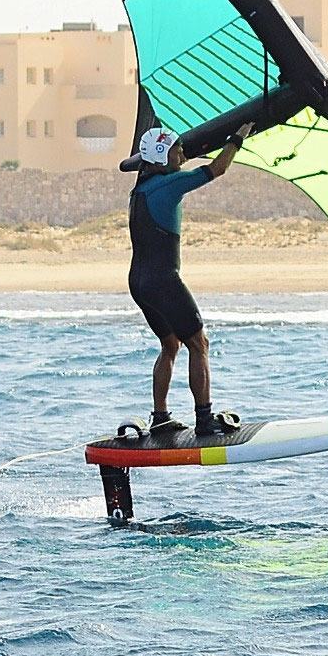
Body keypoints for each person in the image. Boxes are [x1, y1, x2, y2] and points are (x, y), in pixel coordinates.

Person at [119, 122, 251, 438]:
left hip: (139, 282)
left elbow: (168, 161)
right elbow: (217, 169)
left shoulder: (141, 188)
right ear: (162, 156)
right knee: (199, 344)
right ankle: (205, 420)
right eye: (176, 150)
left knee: (170, 345)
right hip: (163, 280)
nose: (182, 154)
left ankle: (161, 418)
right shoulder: (169, 184)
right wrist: (237, 138)